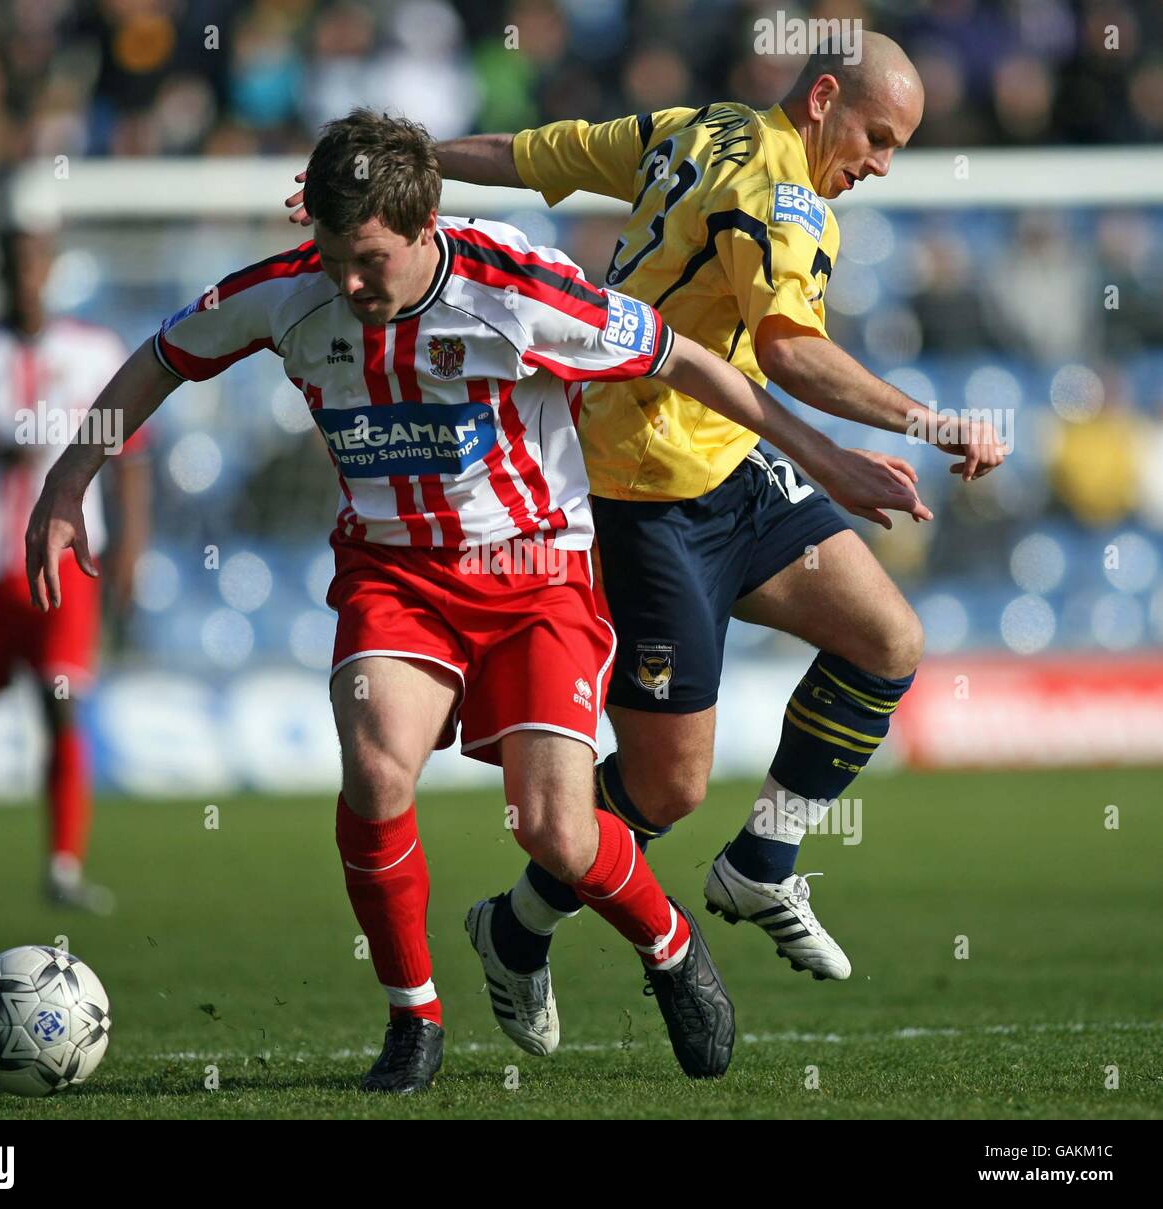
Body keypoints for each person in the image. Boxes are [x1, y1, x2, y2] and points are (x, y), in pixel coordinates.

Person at [28, 110, 927, 1092]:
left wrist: (826, 457)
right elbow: (160, 358)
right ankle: (413, 1019)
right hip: (395, 575)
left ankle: (668, 945)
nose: (348, 283)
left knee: (558, 835)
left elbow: (681, 358)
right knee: (374, 776)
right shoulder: (289, 292)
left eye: (368, 259)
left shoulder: (514, 289)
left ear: (425, 228)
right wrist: (67, 483)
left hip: (537, 578)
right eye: (332, 257)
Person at [288, 34, 1007, 1052]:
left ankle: (760, 863)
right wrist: (926, 423)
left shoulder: (688, 130)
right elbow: (791, 350)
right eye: (876, 138)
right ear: (824, 97)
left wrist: (392, 176)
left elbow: (528, 155)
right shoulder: (778, 194)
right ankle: (516, 925)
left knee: (885, 640)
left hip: (729, 464)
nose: (880, 164)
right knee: (663, 787)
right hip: (634, 491)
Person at [0, 229, 150, 918]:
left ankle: (63, 867)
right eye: (13, 267)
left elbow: (130, 453)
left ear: (51, 272)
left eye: (35, 266)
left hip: (69, 564)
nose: (25, 279)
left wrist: (133, 547)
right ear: (0, 272)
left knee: (62, 706)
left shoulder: (95, 351)